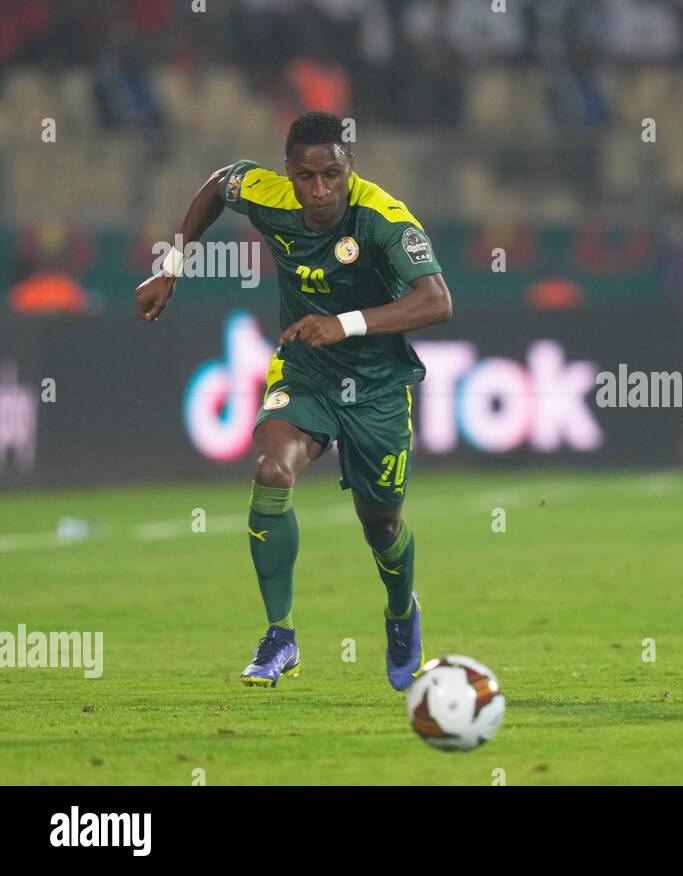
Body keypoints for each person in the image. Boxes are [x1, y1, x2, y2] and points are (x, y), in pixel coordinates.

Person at [135, 110, 453, 690]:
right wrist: (171, 267)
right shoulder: (268, 193)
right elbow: (217, 184)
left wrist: (346, 323)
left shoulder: (383, 218)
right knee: (271, 471)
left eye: (331, 174)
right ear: (289, 171)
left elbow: (437, 301)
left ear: (349, 167)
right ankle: (280, 636)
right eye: (306, 177)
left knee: (381, 526)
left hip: (378, 387)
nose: (319, 190)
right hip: (305, 371)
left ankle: (402, 612)